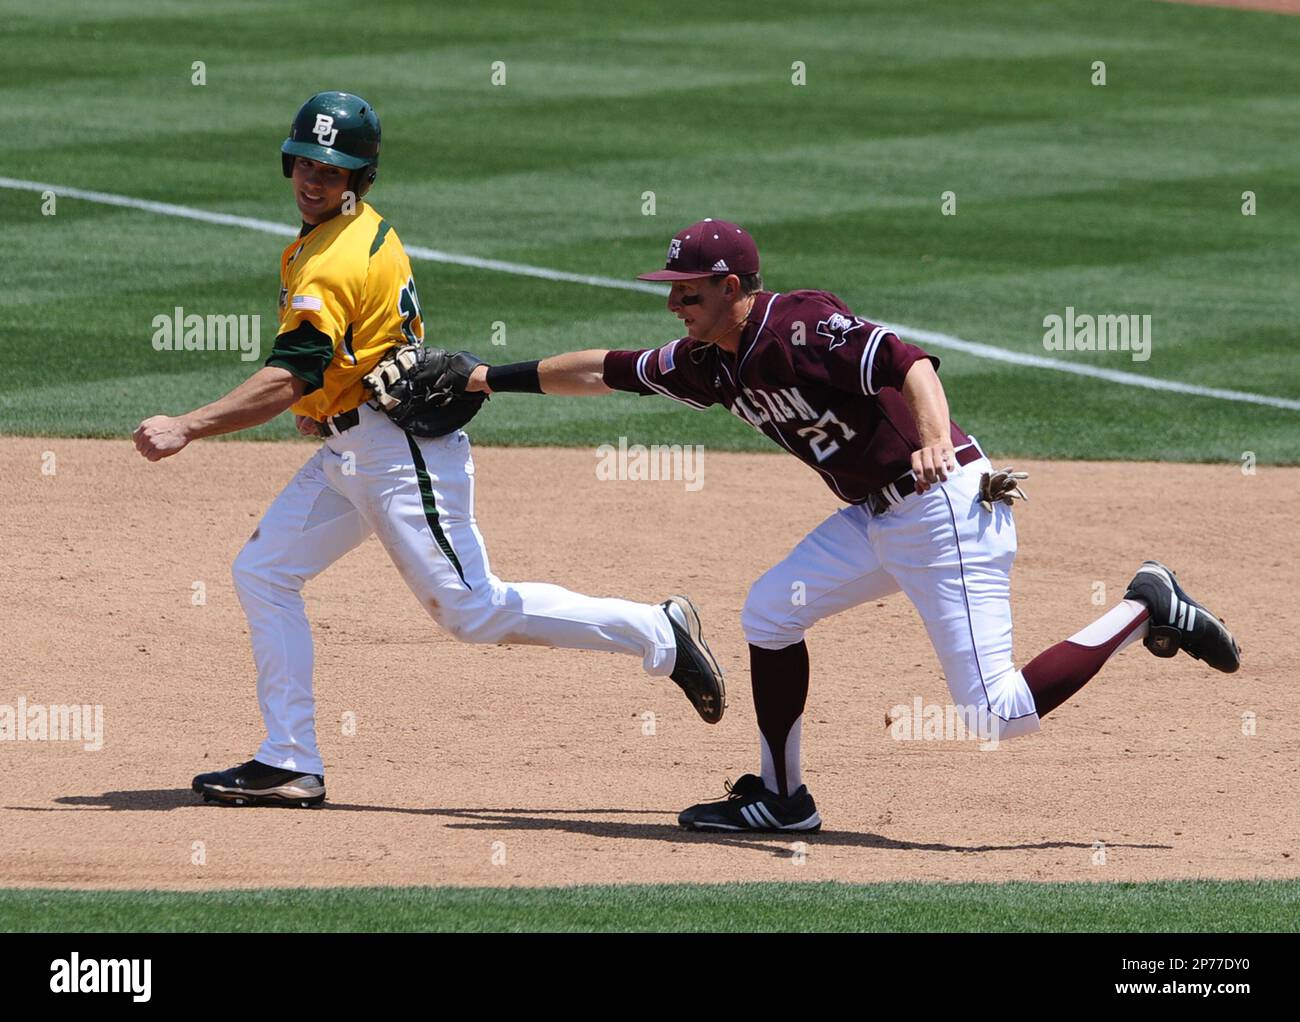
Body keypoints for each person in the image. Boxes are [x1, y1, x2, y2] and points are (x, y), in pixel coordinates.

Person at [452, 217, 1241, 832]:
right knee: (770, 611)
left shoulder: (801, 325)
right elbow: (603, 368)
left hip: (946, 513)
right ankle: (782, 798)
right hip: (874, 519)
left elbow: (909, 360)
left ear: (731, 286)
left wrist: (935, 438)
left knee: (999, 714)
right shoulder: (707, 359)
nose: (673, 304)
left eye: (687, 291)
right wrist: (490, 379)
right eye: (672, 291)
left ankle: (1146, 605)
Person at [131, 95, 724, 808]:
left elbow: (288, 377)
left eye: (333, 170)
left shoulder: (329, 261)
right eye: (306, 165)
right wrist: (326, 409)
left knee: (473, 612)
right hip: (353, 448)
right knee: (263, 571)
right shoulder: (353, 234)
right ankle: (290, 760)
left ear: (360, 177)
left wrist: (188, 425)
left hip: (396, 454)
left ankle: (657, 630)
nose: (314, 181)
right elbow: (343, 360)